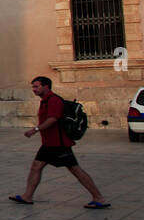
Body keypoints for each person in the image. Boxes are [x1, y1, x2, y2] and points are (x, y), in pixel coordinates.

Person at [9, 75, 109, 208]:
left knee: (75, 170)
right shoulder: (45, 100)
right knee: (36, 167)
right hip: (49, 143)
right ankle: (27, 196)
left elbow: (52, 119)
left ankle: (99, 198)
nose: (34, 89)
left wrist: (35, 129)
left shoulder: (54, 100)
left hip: (58, 144)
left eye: (36, 86)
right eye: (33, 87)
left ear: (46, 86)